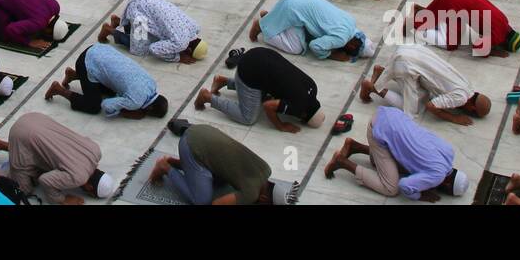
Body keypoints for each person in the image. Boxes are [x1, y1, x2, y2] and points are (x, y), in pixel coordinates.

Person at [324, 106, 469, 201]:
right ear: (448, 184)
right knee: (391, 188)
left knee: (401, 167)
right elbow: (405, 185)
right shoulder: (437, 176)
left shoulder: (449, 153)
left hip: (392, 114)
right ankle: (342, 162)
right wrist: (420, 195)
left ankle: (354, 147)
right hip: (378, 130)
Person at [0, 112, 114, 204]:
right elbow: (45, 181)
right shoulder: (79, 177)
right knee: (21, 189)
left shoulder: (95, 151)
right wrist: (62, 200)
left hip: (35, 119)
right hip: (22, 136)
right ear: (89, 187)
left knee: (41, 155)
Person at [148, 124, 289, 205]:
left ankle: (184, 164)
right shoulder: (251, 193)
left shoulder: (266, 169)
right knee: (201, 200)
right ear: (264, 198)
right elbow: (217, 204)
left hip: (203, 131)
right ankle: (165, 167)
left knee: (222, 183)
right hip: (192, 145)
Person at [360, 45, 491, 125]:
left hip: (412, 50)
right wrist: (454, 118)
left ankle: (381, 71)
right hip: (406, 62)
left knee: (421, 92)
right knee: (413, 111)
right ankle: (373, 88)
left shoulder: (467, 85)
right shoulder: (461, 98)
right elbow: (431, 106)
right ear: (472, 108)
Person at [196, 47, 322, 130]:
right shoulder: (299, 107)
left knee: (267, 94)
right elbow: (268, 106)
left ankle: (223, 81)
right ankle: (207, 97)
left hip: (261, 54)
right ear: (303, 115)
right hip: (248, 71)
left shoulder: (313, 87)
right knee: (248, 118)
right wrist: (280, 125)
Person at [45, 44, 168, 119]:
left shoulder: (152, 83)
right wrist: (125, 112)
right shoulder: (136, 102)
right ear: (149, 109)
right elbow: (106, 106)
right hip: (86, 63)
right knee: (93, 106)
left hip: (99, 49)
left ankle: (74, 75)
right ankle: (59, 90)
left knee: (115, 91)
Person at [250, 0, 373, 61]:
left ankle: (270, 16)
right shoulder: (342, 38)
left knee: (308, 31)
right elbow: (315, 46)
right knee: (296, 48)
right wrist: (331, 54)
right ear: (352, 47)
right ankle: (262, 27)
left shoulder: (351, 21)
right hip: (294, 8)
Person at [412, 0, 520, 55]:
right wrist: (492, 51)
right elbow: (477, 48)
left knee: (444, 16)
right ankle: (415, 26)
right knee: (450, 44)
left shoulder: (505, 20)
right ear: (504, 44)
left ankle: (424, 13)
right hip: (455, 4)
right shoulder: (498, 36)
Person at [100, 0, 207, 62]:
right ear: (188, 50)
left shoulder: (195, 27)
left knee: (150, 37)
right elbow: (154, 48)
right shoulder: (181, 44)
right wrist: (177, 57)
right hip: (140, 10)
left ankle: (117, 21)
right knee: (140, 49)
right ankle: (109, 30)